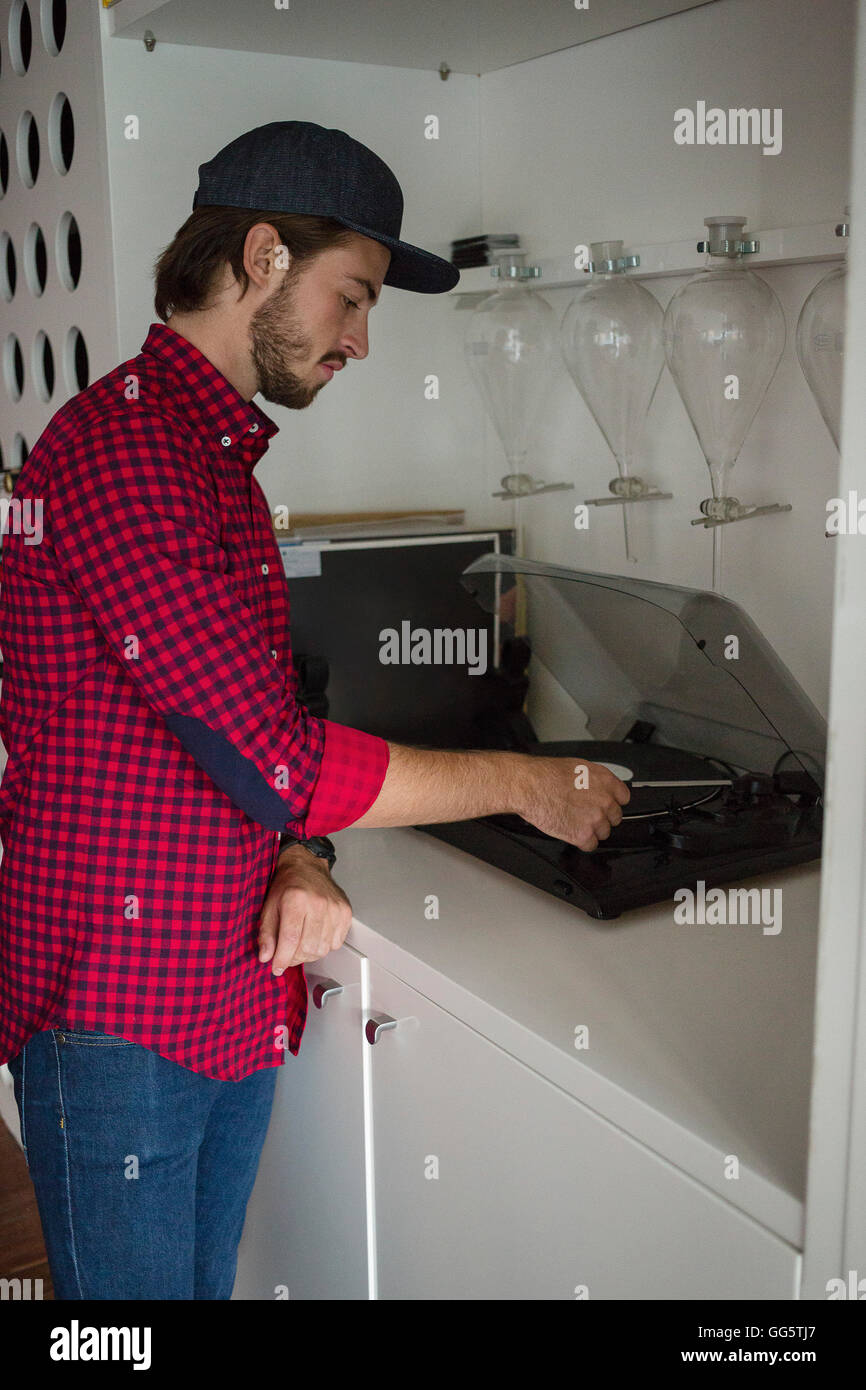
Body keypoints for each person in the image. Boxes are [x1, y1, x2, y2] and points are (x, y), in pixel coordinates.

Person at [0, 122, 629, 1300]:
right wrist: (532, 782)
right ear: (260, 258)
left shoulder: (211, 460)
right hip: (118, 1012)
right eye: (354, 296)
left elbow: (238, 734)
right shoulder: (130, 451)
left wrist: (298, 848)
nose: (362, 340)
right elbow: (273, 754)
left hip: (217, 984)